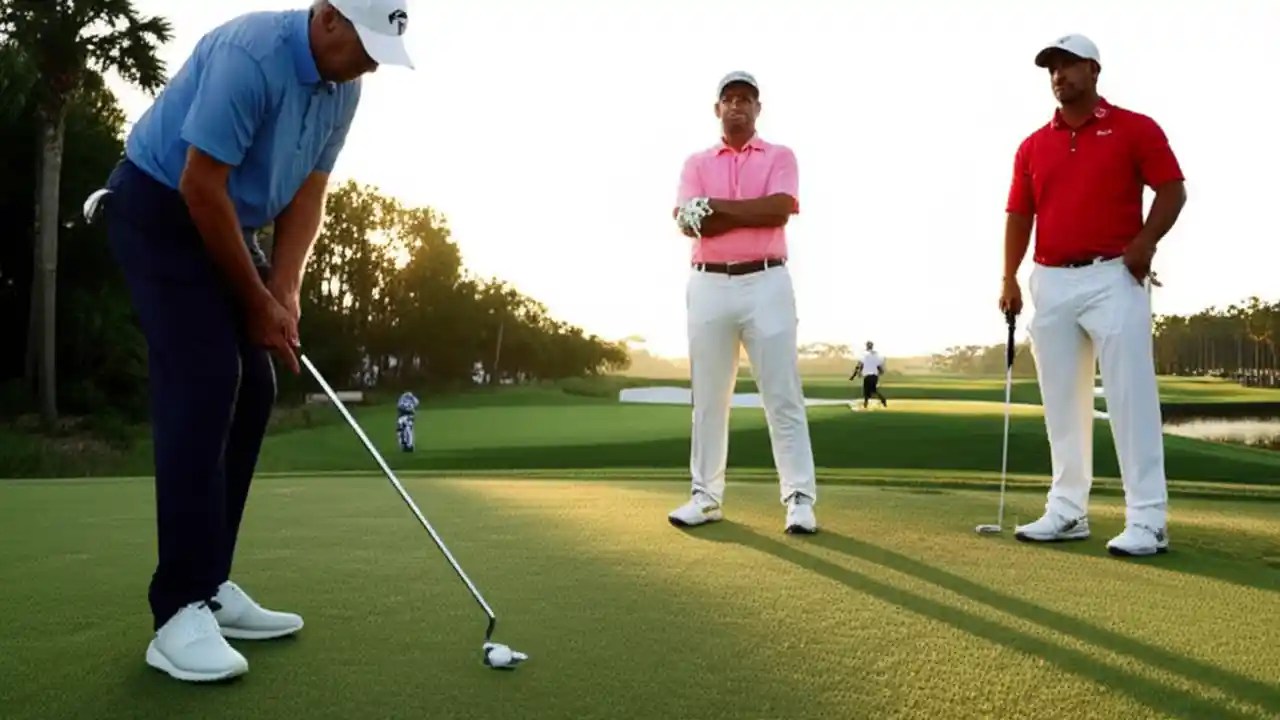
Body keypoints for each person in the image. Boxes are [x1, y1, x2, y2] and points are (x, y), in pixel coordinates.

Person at [91, 0, 414, 682]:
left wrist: (285, 291)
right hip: (159, 209)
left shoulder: (344, 85)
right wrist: (254, 298)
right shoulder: (252, 56)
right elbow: (199, 187)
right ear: (328, 16)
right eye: (366, 44)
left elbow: (310, 195)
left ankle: (209, 584)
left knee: (256, 385)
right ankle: (177, 611)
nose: (370, 66)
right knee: (207, 378)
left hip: (225, 222)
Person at [1000, 34, 1186, 557]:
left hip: (1114, 277)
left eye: (1068, 66)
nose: (1059, 75)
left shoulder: (1134, 128)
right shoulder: (1034, 145)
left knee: (1130, 398)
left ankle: (1148, 519)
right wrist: (1008, 276)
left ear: (1094, 70)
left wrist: (1145, 241)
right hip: (1051, 280)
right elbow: (1020, 215)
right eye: (1052, 69)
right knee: (1062, 402)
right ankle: (1067, 510)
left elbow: (1172, 190)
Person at [667, 71, 819, 535]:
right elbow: (689, 222)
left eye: (746, 100)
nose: (737, 106)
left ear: (758, 109)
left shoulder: (780, 156)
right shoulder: (695, 162)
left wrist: (719, 208)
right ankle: (706, 496)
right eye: (729, 99)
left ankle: (799, 500)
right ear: (717, 109)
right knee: (710, 399)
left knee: (782, 395)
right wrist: (741, 210)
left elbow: (778, 209)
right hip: (709, 284)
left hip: (767, 282)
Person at [850, 341, 887, 408]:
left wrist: (854, 375)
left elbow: (859, 365)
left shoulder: (864, 354)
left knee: (866, 390)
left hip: (867, 376)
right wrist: (881, 372)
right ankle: (882, 399)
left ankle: (866, 403)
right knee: (873, 390)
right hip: (875, 376)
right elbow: (879, 366)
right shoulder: (876, 355)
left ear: (867, 346)